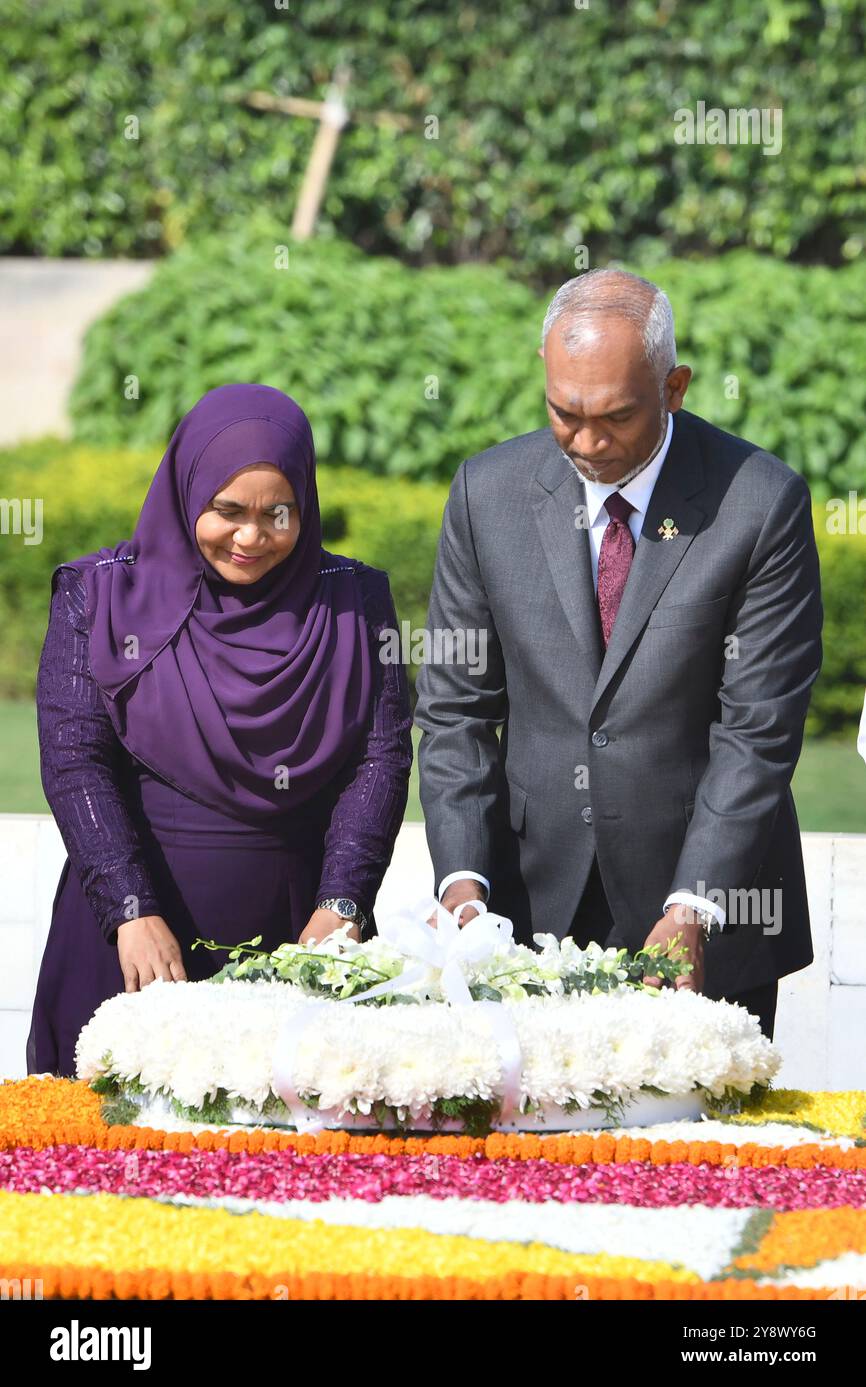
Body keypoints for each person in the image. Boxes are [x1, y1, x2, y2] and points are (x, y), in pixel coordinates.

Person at [415, 269, 823, 1040]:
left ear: (674, 387)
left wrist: (694, 906)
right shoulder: (485, 493)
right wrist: (464, 882)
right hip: (526, 910)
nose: (587, 442)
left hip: (706, 902)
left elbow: (758, 732)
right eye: (564, 414)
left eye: (616, 418)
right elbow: (455, 710)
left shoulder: (761, 504)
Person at [28, 383, 412, 1077]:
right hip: (133, 945)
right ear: (186, 493)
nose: (251, 537)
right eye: (227, 511)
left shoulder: (352, 600)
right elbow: (75, 762)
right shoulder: (101, 595)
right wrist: (129, 906)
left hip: (308, 941)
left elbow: (380, 758)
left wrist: (344, 901)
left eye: (277, 515)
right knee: (104, 1164)